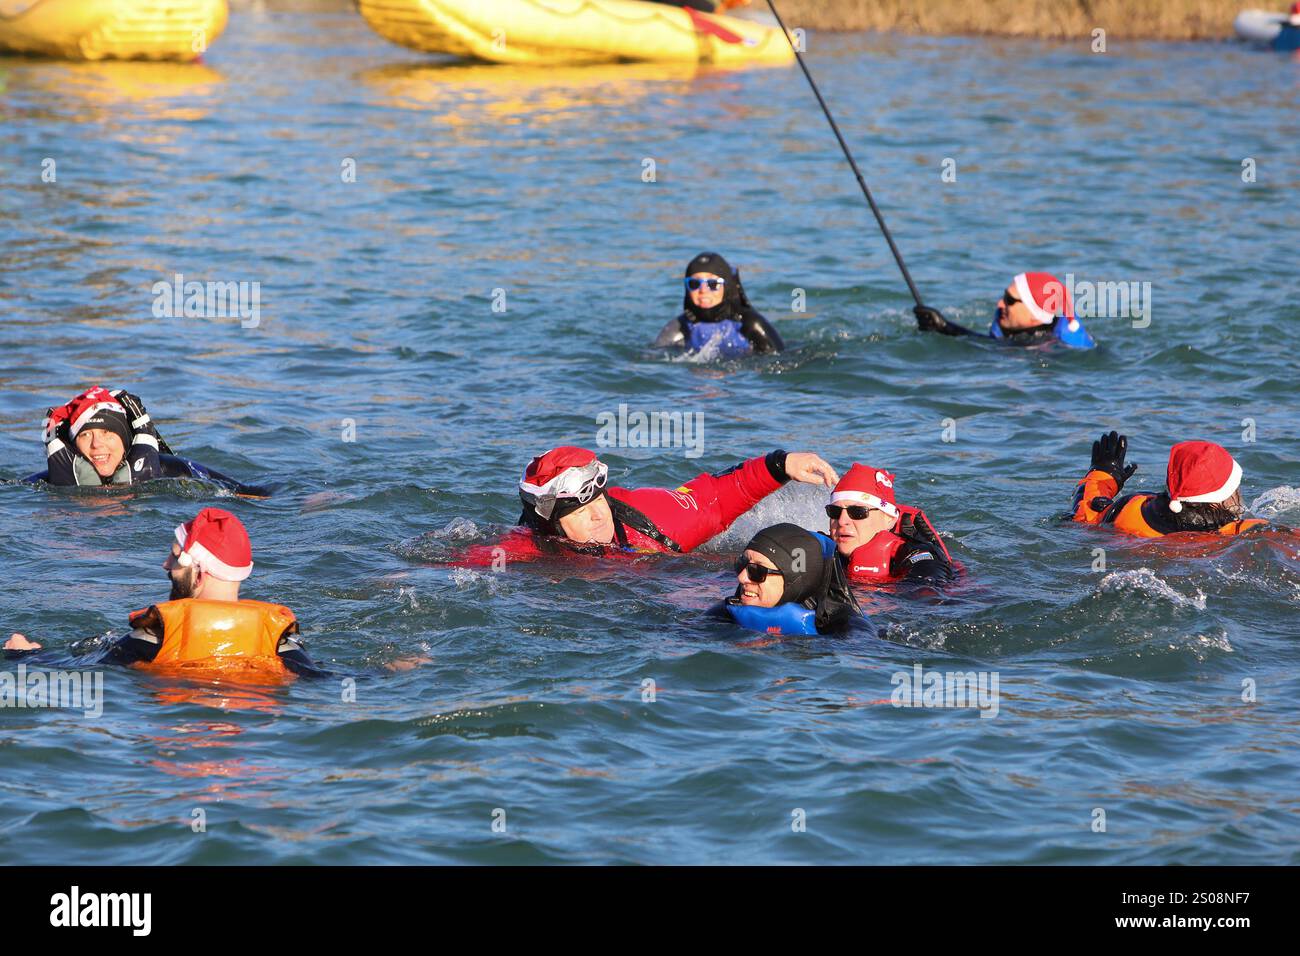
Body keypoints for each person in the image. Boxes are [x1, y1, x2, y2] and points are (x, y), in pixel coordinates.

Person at [4, 508, 323, 676]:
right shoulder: (279, 640)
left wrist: (28, 656)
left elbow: (85, 670)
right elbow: (320, 679)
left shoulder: (155, 636)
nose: (165, 565)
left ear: (198, 572)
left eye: (174, 556)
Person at [459, 446, 838, 564]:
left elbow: (715, 499)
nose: (597, 516)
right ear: (550, 525)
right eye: (577, 511)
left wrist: (779, 465)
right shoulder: (526, 551)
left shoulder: (650, 518)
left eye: (598, 500)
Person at [27, 385, 270, 496]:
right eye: (85, 434)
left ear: (125, 440)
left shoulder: (170, 468)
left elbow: (250, 494)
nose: (96, 444)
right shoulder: (51, 480)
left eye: (107, 434)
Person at [1071, 432, 1269, 537]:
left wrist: (1103, 472)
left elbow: (1085, 512)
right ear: (1224, 495)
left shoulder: (1128, 508)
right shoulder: (1242, 533)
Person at [719, 523, 862, 636]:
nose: (742, 577)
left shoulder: (845, 632)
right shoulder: (726, 613)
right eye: (742, 564)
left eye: (757, 571)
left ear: (793, 580)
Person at [827, 463, 954, 585]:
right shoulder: (822, 550)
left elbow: (931, 596)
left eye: (858, 512)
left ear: (890, 519)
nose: (842, 521)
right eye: (835, 511)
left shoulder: (918, 556)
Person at [914, 272, 1095, 349]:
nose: (1000, 304)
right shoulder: (1013, 326)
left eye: (1009, 300)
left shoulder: (1051, 347)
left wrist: (945, 328)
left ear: (1035, 315)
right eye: (1004, 296)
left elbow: (991, 350)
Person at [653, 252, 784, 357]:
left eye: (713, 284)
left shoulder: (750, 323)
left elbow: (781, 359)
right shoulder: (679, 327)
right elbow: (655, 358)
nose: (703, 290)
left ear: (726, 287)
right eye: (694, 284)